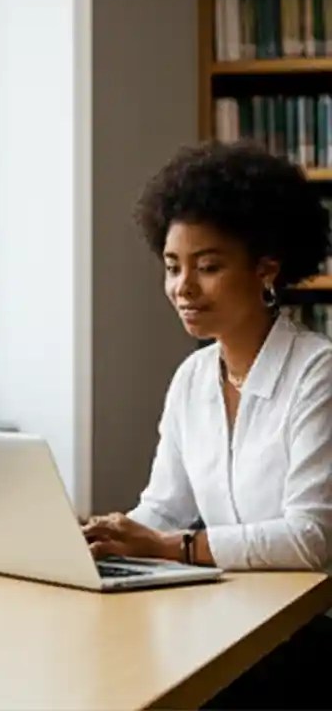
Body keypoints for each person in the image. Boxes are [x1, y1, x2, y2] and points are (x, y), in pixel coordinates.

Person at [83, 140, 332, 709]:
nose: (184, 289)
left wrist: (172, 547)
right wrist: (111, 535)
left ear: (266, 270)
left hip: (305, 634)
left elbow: (309, 538)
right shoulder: (192, 379)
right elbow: (162, 509)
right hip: (231, 620)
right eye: (173, 267)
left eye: (209, 266)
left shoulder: (318, 372)